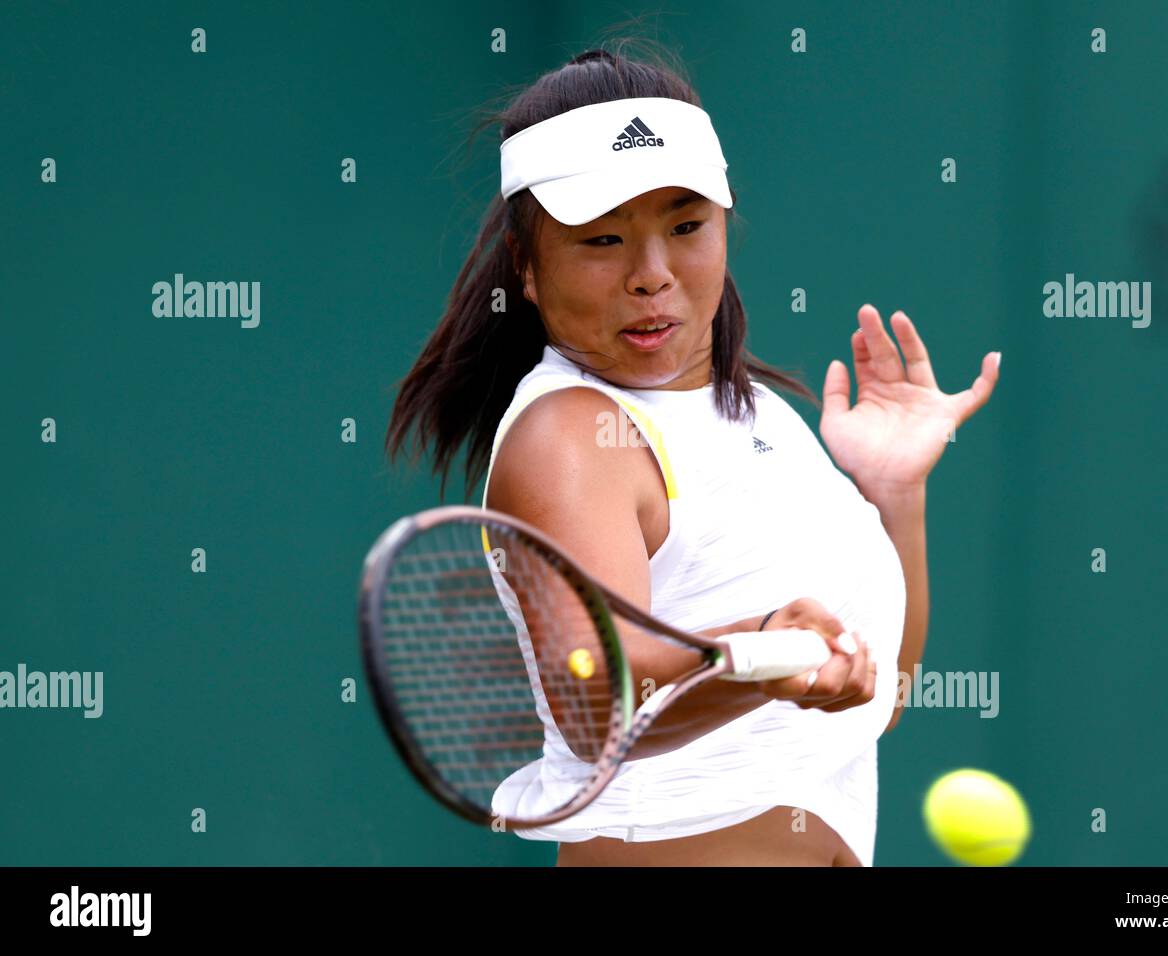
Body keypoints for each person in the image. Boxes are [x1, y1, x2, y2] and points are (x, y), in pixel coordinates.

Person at [385, 43, 999, 866]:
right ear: (527, 268)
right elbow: (594, 701)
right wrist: (760, 646)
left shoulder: (767, 420)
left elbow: (875, 700)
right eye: (602, 240)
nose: (652, 274)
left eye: (685, 226)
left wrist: (894, 496)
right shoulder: (569, 433)